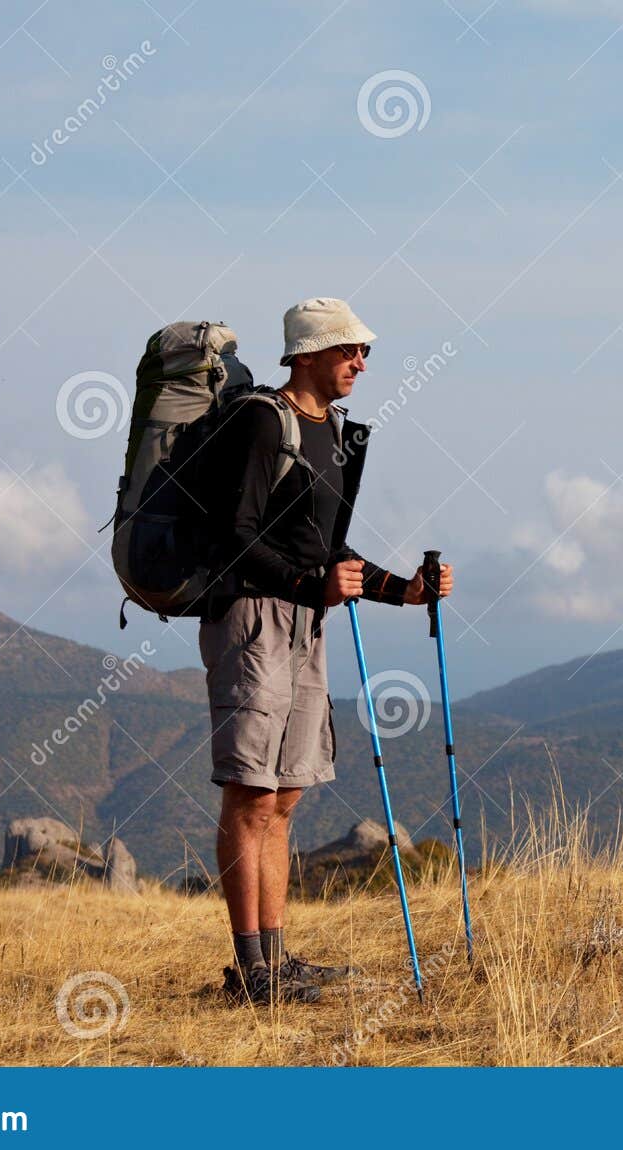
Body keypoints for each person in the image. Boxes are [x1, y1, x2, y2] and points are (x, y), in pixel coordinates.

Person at [199, 297, 454, 1004]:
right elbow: (233, 534)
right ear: (307, 354)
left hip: (307, 620)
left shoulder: (335, 434)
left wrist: (402, 589)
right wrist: (309, 582)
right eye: (349, 351)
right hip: (251, 620)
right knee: (251, 793)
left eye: (364, 352)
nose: (361, 364)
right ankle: (251, 971)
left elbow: (326, 549)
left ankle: (275, 961)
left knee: (285, 797)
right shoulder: (261, 420)